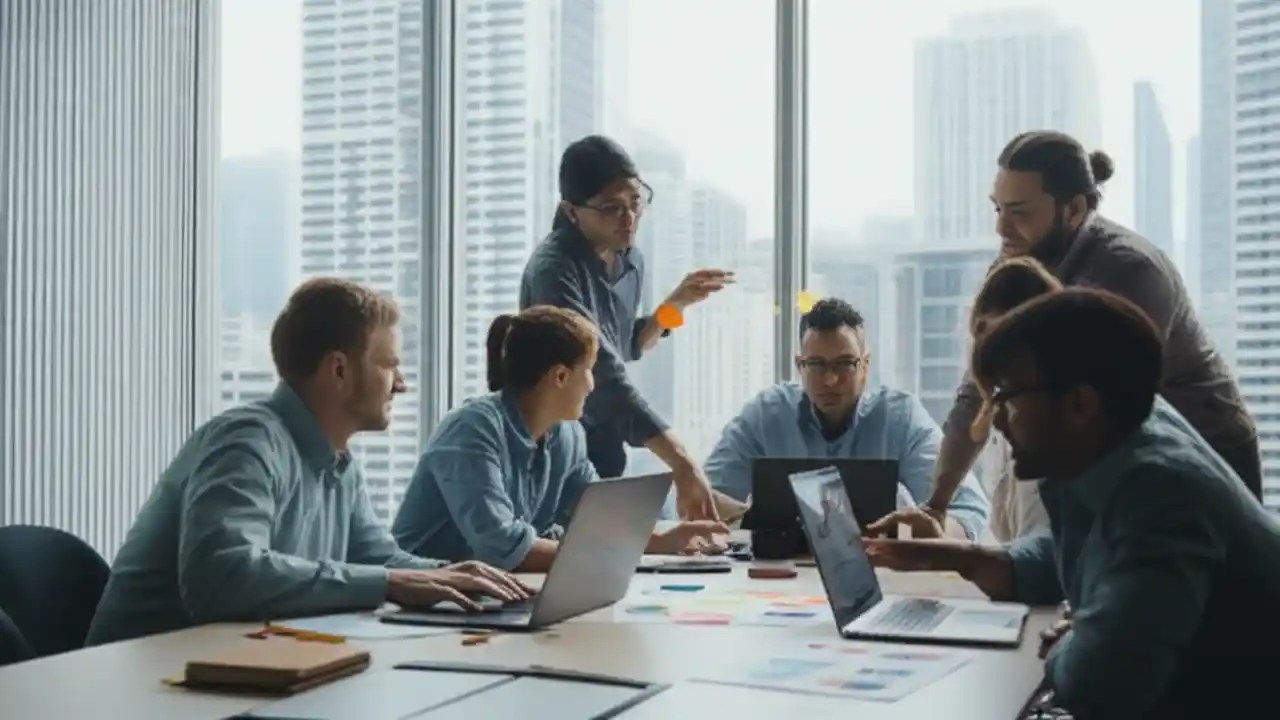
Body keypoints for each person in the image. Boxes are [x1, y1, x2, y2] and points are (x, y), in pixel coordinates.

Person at [866, 289, 1280, 719]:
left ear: (1080, 403)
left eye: (1006, 397)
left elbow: (1102, 687)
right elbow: (1089, 554)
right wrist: (963, 558)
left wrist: (1077, 638)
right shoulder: (1121, 434)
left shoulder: (1160, 493)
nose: (997, 421)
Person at [87, 279, 529, 646]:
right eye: (390, 365)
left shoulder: (338, 461)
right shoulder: (248, 442)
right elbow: (221, 577)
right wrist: (389, 582)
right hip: (143, 687)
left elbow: (377, 558)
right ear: (338, 369)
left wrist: (458, 575)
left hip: (233, 672)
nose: (402, 384)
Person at [917, 130, 1260, 531]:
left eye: (1020, 212)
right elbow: (980, 386)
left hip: (1204, 457)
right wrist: (935, 508)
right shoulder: (1018, 262)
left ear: (1075, 208)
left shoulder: (1129, 271)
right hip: (1121, 459)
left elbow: (1100, 410)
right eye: (998, 210)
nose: (1002, 229)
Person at [393, 307, 729, 571]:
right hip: (421, 599)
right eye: (590, 370)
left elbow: (594, 518)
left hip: (491, 597)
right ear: (560, 376)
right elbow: (501, 546)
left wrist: (661, 538)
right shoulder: (471, 430)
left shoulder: (567, 434)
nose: (593, 385)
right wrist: (613, 555)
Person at [520, 134, 732, 521]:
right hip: (553, 451)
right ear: (571, 211)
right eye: (611, 208)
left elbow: (629, 344)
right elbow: (604, 372)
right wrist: (682, 462)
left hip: (604, 445)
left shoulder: (629, 257)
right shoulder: (555, 271)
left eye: (636, 202)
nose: (629, 218)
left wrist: (675, 306)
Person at [703, 298, 990, 540]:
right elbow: (702, 497)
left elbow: (968, 509)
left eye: (844, 364)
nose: (830, 379)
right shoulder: (766, 414)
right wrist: (752, 520)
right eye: (816, 365)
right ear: (799, 365)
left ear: (865, 365)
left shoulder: (900, 418)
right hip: (777, 576)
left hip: (877, 572)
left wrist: (937, 531)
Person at [960, 257, 1060, 541]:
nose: (1000, 418)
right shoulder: (1021, 418)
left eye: (1007, 393)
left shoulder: (1051, 442)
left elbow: (1040, 571)